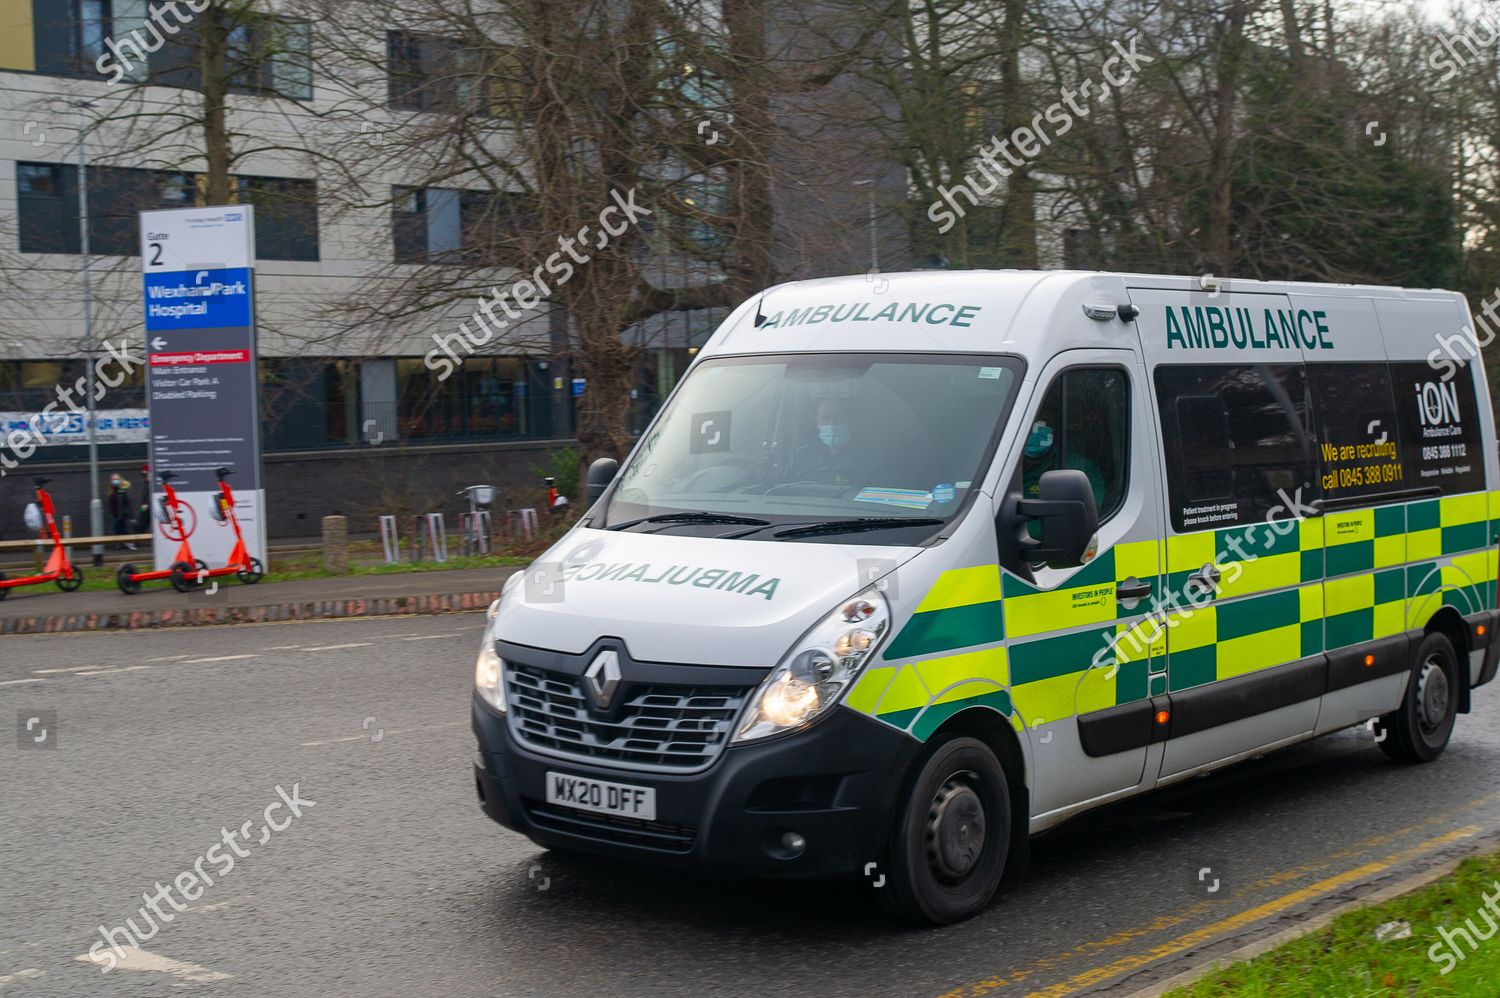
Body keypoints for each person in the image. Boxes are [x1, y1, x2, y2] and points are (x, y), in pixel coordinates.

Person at [790, 397, 870, 488]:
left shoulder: (869, 459)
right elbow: (784, 492)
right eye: (825, 418)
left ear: (848, 420)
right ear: (817, 421)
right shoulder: (801, 456)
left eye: (838, 418)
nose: (831, 424)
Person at [107, 473, 136, 549]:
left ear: (120, 479)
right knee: (117, 529)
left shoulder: (123, 489)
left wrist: (131, 514)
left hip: (122, 513)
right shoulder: (112, 489)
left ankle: (129, 543)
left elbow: (128, 501)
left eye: (116, 479)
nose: (114, 481)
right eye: (113, 479)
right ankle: (121, 544)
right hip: (115, 513)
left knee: (122, 529)